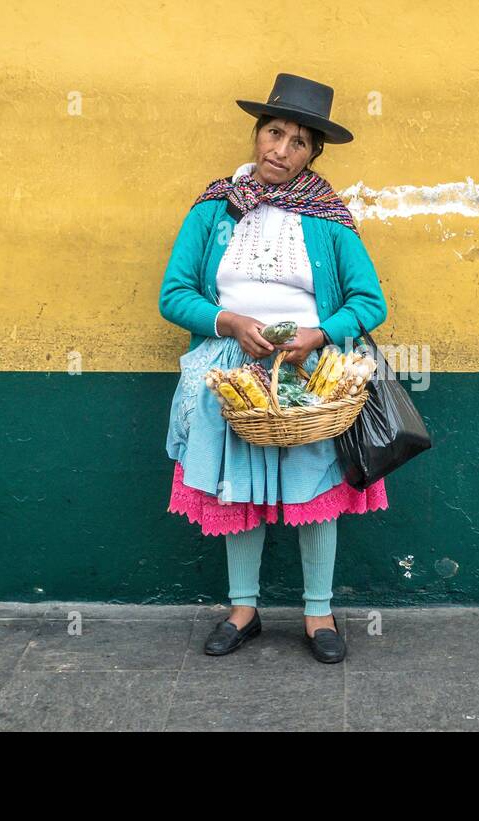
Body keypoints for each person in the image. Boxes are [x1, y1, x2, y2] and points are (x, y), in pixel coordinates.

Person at [159, 73, 389, 663]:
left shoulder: (328, 218)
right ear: (257, 133)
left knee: (314, 487)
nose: (279, 151)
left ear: (314, 154)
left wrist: (319, 335)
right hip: (230, 371)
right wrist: (231, 323)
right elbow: (175, 294)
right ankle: (243, 610)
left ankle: (318, 613)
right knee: (238, 491)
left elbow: (369, 302)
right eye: (273, 133)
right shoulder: (215, 207)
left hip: (309, 372)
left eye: (297, 143)